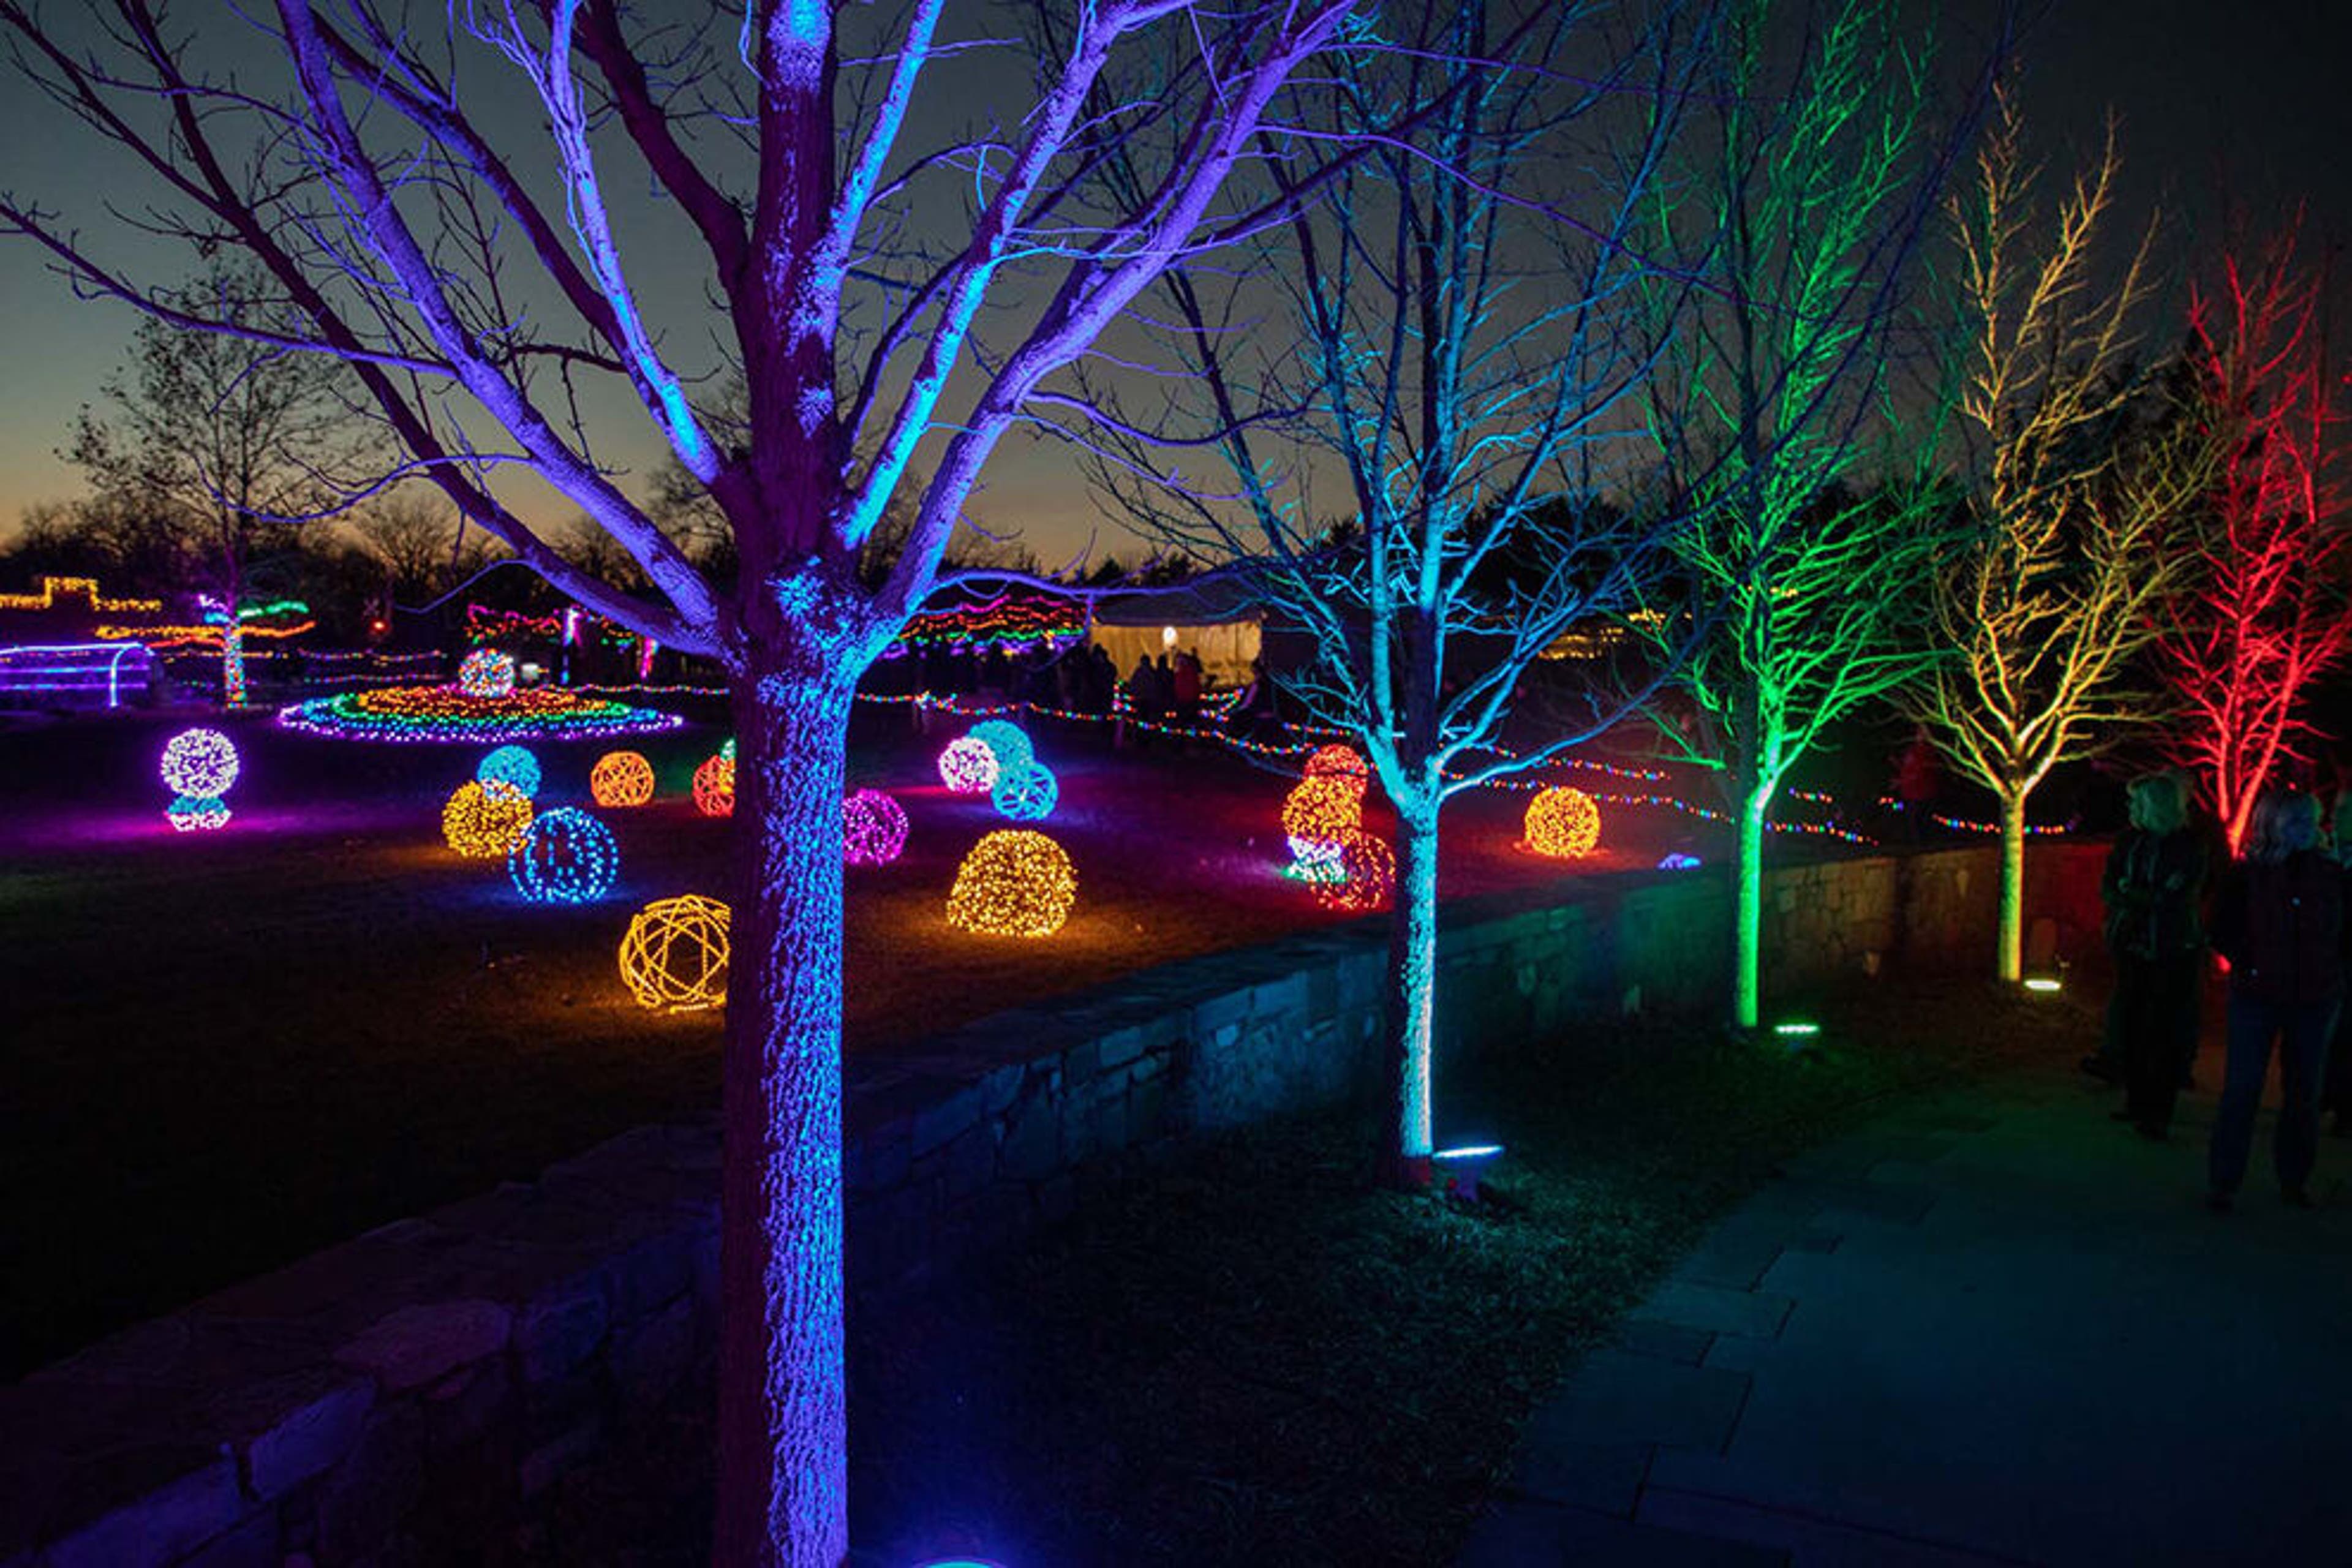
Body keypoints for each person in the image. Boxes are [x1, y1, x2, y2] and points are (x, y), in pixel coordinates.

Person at [2207, 787, 2343, 1210]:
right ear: (2273, 824)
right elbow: (2221, 925)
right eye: (2297, 821)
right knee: (2242, 1089)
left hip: (2314, 996)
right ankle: (2225, 1181)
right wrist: (2246, 960)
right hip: (2258, 994)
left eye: (2311, 820)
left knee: (2303, 1093)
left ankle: (2293, 1178)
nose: (2308, 829)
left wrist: (2334, 970)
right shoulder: (2247, 875)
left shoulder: (2331, 875)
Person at [2097, 772, 2207, 1139]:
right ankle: (2136, 1097)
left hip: (2171, 949)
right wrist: (2136, 895)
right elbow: (2111, 885)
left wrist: (2136, 895)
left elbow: (2176, 896)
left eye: (2138, 802)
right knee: (2130, 1023)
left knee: (2161, 1029)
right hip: (2132, 946)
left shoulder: (2188, 846)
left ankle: (2158, 1110)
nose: (2131, 809)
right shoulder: (2130, 842)